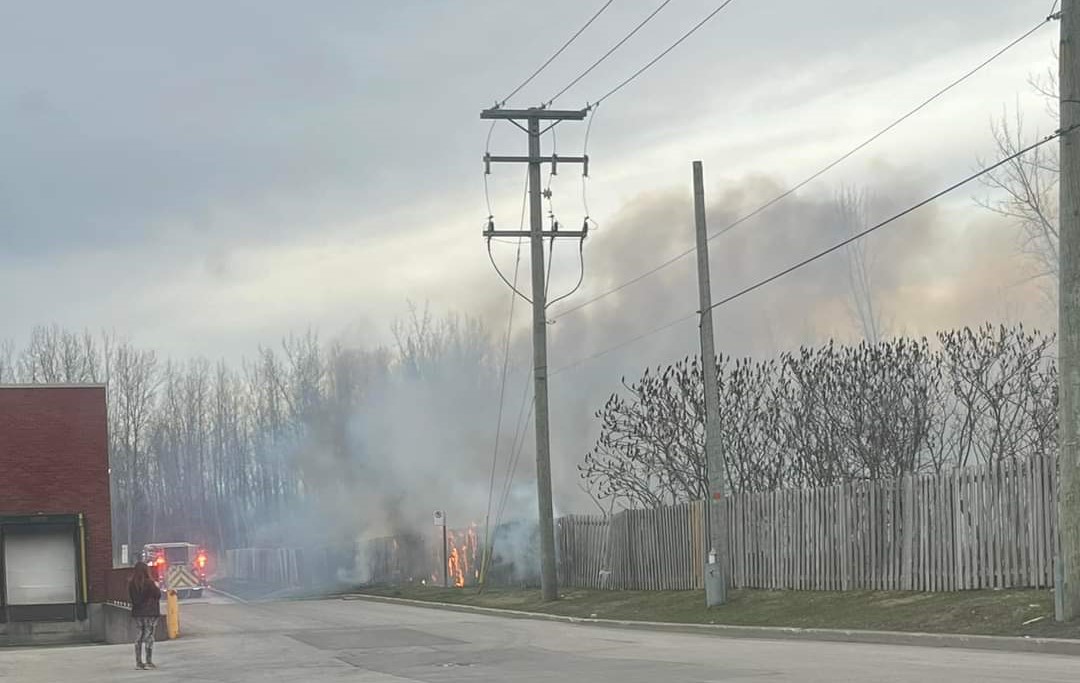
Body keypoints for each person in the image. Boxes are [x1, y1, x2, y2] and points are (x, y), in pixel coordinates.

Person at [128, 561, 162, 670]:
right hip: (150, 612)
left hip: (138, 613)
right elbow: (158, 595)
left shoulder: (131, 583)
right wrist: (157, 586)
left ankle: (138, 662)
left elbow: (134, 600)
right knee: (149, 636)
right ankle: (148, 662)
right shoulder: (150, 583)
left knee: (139, 635)